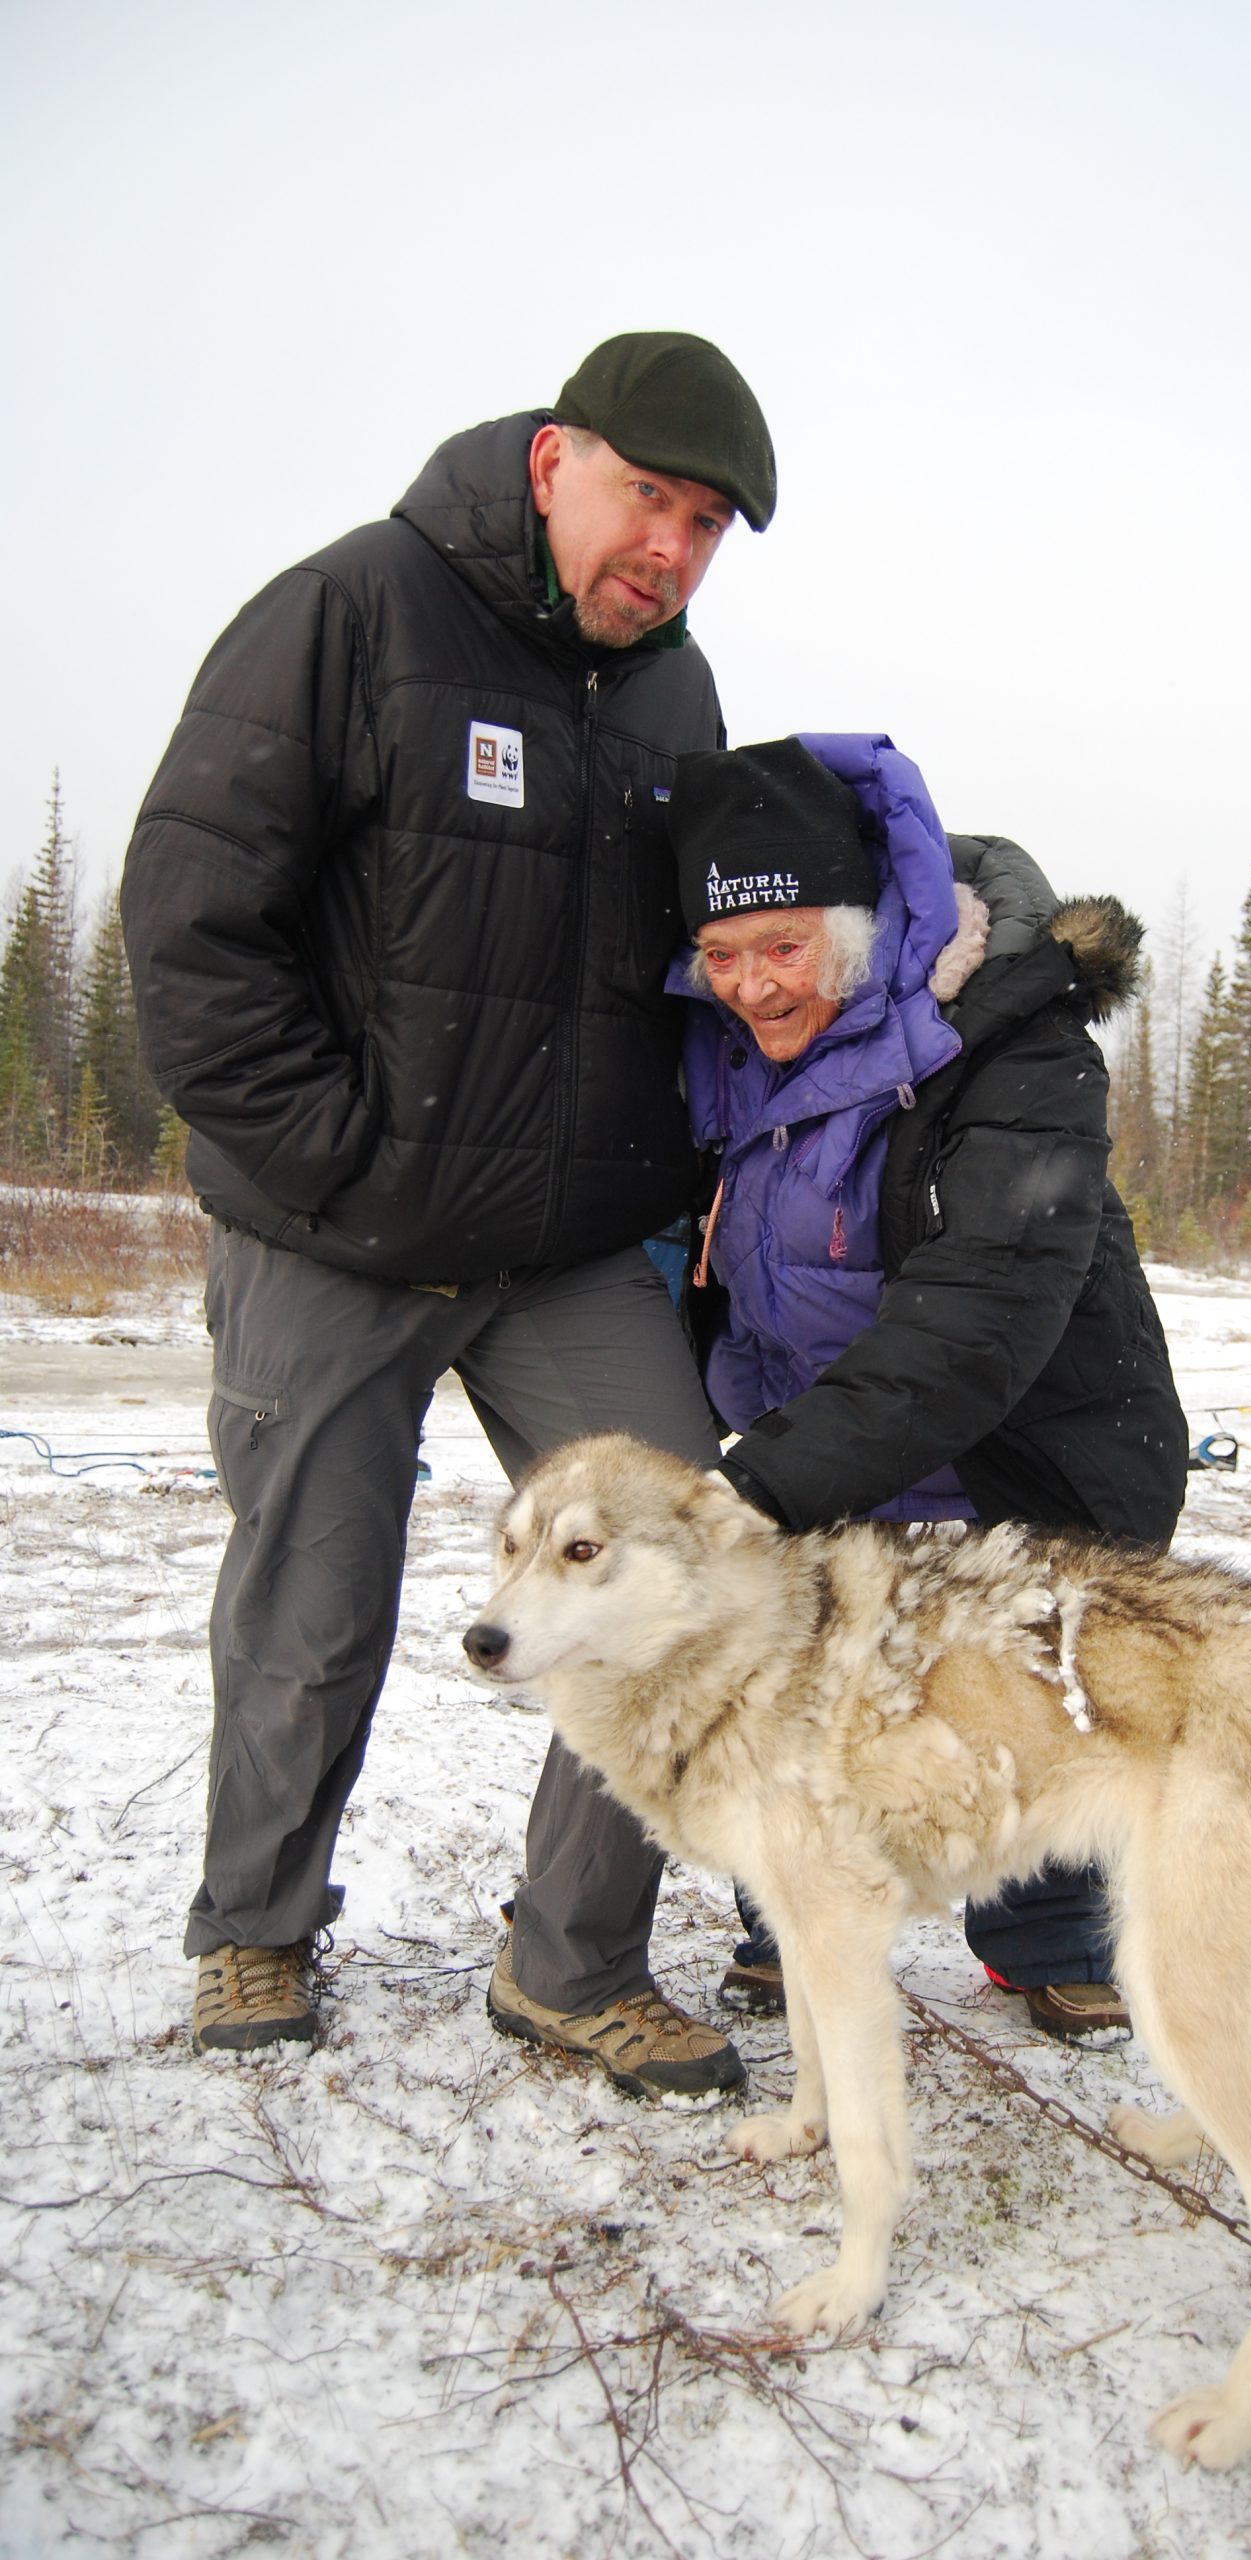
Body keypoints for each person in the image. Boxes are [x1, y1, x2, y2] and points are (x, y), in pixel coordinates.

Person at [121, 332, 776, 2099]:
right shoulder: (352, 612)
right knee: (314, 1602)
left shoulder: (672, 691)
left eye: (709, 526)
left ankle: (571, 1962)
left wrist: (713, 1164)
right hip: (336, 1229)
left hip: (571, 1241)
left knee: (677, 1583)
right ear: (556, 460)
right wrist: (344, 1161)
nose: (674, 550)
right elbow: (191, 932)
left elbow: (694, 964)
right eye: (654, 500)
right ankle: (254, 1922)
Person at [661, 735, 1189, 2041]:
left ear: (852, 922)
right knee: (792, 1680)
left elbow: (980, 1314)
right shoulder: (720, 1055)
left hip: (1018, 1439)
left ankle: (1048, 1927)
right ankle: (793, 1914)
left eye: (779, 947)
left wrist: (759, 1484)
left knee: (1019, 1684)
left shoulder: (1007, 1042)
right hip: (821, 1440)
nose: (749, 986)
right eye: (719, 958)